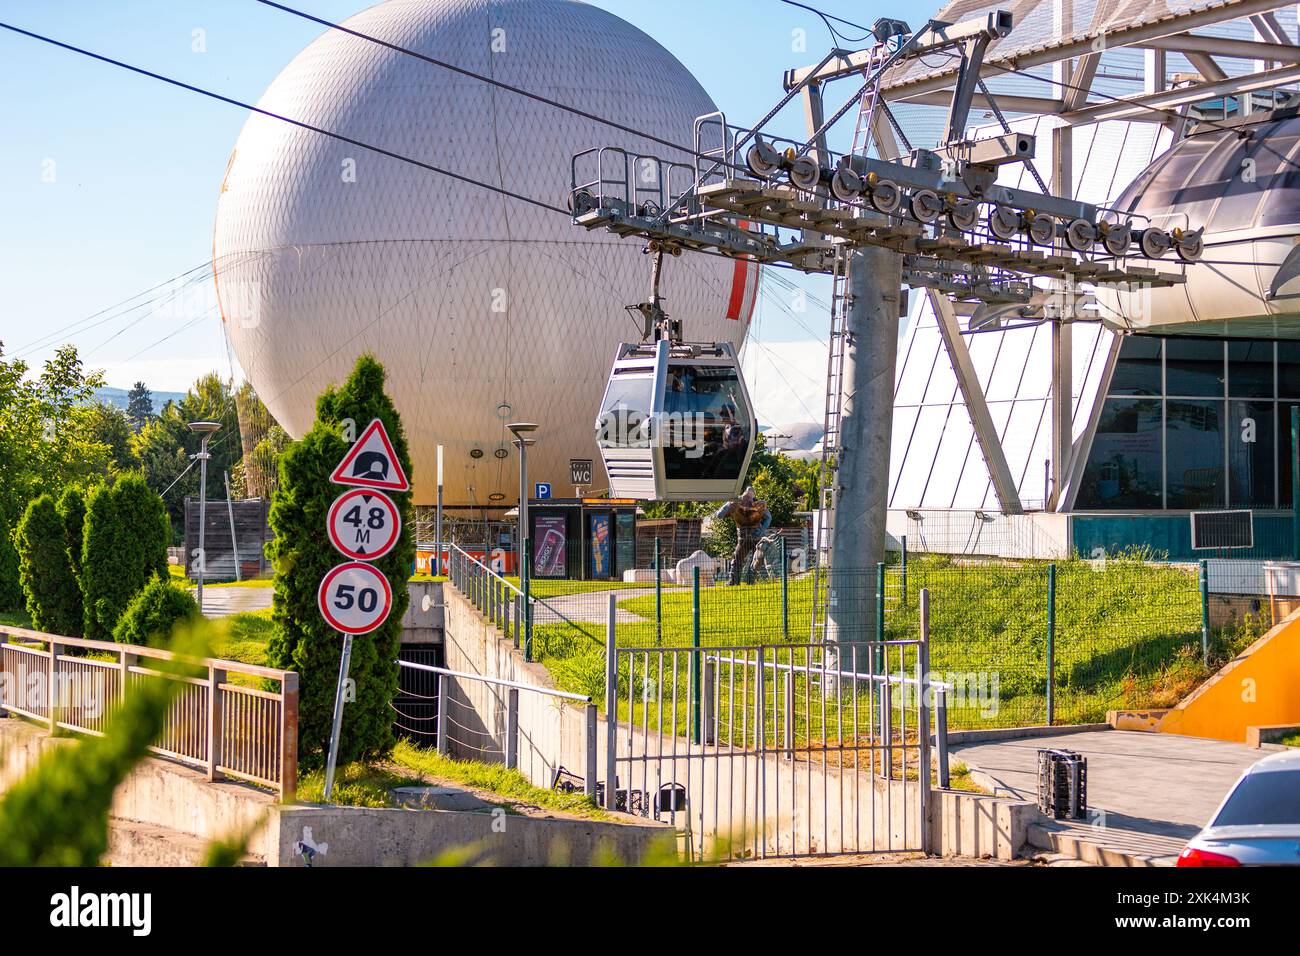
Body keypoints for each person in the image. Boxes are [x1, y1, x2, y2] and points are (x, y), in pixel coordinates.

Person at [715, 487, 771, 586]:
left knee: (743, 561)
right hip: (751, 538)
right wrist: (762, 530)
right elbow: (768, 518)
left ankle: (740, 581)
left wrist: (728, 505)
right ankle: (743, 582)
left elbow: (719, 515)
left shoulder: (756, 505)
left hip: (748, 538)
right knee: (747, 561)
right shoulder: (755, 505)